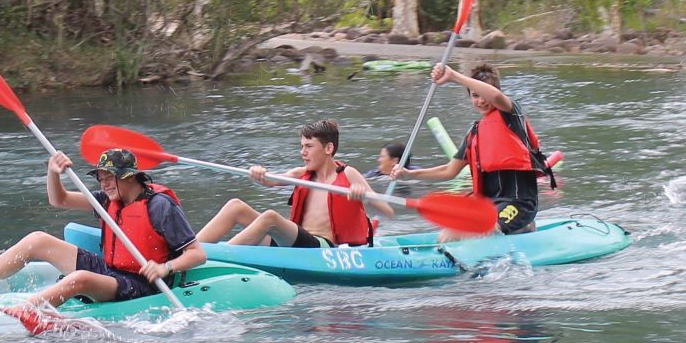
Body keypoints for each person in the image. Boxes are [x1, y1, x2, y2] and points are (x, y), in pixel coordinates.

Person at [0, 149, 206, 309]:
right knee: (37, 240)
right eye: (101, 179)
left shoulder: (160, 206)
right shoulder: (107, 200)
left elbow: (197, 254)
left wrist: (165, 267)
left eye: (110, 178)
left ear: (130, 177)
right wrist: (53, 172)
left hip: (144, 283)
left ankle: (17, 312)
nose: (104, 184)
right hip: (111, 271)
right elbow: (59, 200)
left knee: (79, 279)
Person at [393, 63, 557, 238]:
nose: (481, 101)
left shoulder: (511, 114)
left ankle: (523, 225)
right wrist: (409, 174)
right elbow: (449, 170)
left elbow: (495, 96)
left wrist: (453, 76)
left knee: (480, 230)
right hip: (488, 205)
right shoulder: (474, 135)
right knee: (446, 235)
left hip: (519, 203)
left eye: (483, 94)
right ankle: (519, 229)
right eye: (475, 95)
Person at [196, 119, 378, 249]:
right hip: (293, 242)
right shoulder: (301, 173)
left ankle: (224, 256)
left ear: (328, 148)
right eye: (302, 146)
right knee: (235, 206)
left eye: (309, 146)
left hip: (322, 247)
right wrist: (259, 174)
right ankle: (189, 250)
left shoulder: (348, 174)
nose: (303, 152)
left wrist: (363, 195)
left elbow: (384, 208)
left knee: (271, 218)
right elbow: (272, 181)